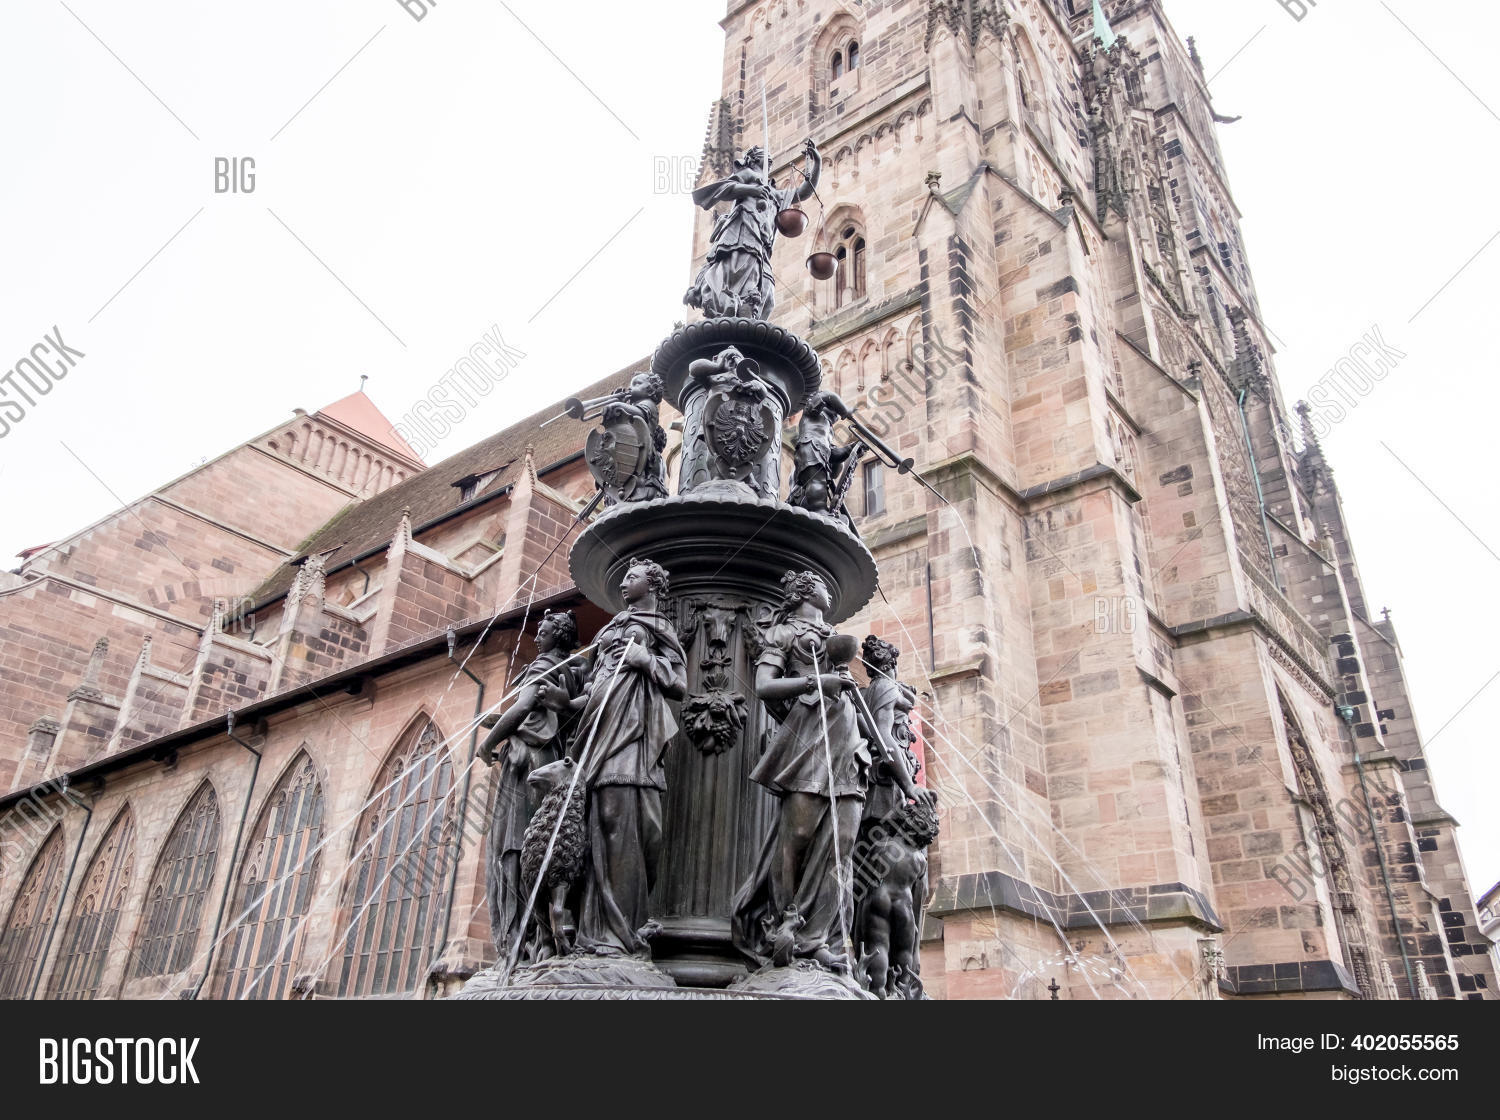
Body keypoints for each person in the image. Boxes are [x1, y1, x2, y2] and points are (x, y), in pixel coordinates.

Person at [731, 571, 870, 972]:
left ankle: (817, 938)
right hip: (808, 738)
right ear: (806, 591)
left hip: (846, 740)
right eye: (823, 584)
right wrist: (818, 680)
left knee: (842, 841)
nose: (831, 587)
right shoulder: (782, 633)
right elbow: (764, 686)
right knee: (799, 835)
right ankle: (783, 925)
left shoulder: (833, 634)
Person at [551, 558, 686, 956]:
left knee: (637, 826)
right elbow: (593, 684)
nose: (625, 584)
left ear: (654, 584)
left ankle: (625, 929)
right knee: (602, 820)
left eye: (633, 577)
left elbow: (679, 683)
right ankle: (600, 934)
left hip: (636, 729)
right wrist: (567, 701)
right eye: (625, 577)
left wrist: (647, 661)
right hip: (598, 729)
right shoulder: (611, 627)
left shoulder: (659, 628)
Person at [475, 609, 585, 960]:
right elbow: (548, 715)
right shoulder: (571, 672)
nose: (537, 638)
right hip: (549, 758)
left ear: (559, 637)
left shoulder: (543, 668)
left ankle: (519, 943)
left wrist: (489, 742)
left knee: (513, 849)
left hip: (526, 764)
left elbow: (523, 709)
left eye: (544, 632)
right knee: (538, 847)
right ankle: (541, 939)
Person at [685, 139, 821, 320]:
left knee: (768, 296)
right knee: (738, 279)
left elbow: (804, 192)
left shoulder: (773, 193)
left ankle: (749, 321)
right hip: (742, 237)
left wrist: (816, 163)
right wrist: (752, 190)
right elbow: (726, 189)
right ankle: (731, 312)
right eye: (766, 156)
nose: (770, 159)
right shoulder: (748, 174)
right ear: (753, 159)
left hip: (762, 248)